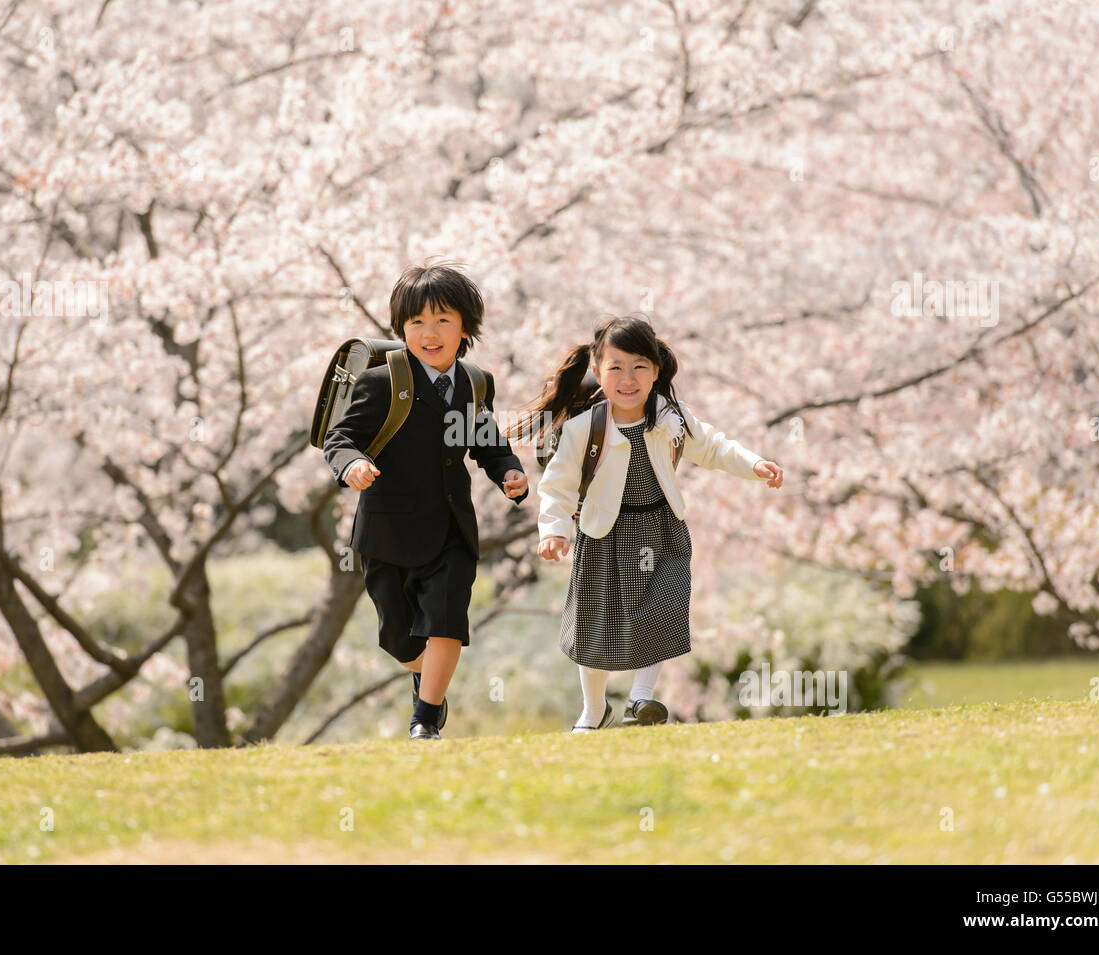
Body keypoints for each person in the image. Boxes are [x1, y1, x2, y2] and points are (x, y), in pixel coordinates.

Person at [520, 314, 783, 732]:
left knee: (662, 609)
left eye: (640, 366)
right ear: (596, 370)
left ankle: (641, 699)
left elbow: (714, 447)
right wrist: (553, 530)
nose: (628, 378)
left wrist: (755, 464)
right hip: (604, 533)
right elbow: (558, 486)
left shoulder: (671, 419)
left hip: (660, 528)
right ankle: (594, 710)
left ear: (656, 370)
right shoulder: (583, 429)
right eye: (616, 367)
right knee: (596, 624)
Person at [323, 261, 529, 740]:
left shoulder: (477, 384)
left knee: (446, 621)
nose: (429, 333)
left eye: (442, 321)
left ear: (465, 329)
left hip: (451, 530)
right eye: (416, 323)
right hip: (387, 531)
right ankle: (428, 678)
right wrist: (351, 464)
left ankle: (425, 719)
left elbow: (486, 441)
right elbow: (341, 436)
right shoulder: (381, 382)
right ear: (401, 329)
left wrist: (509, 472)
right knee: (398, 637)